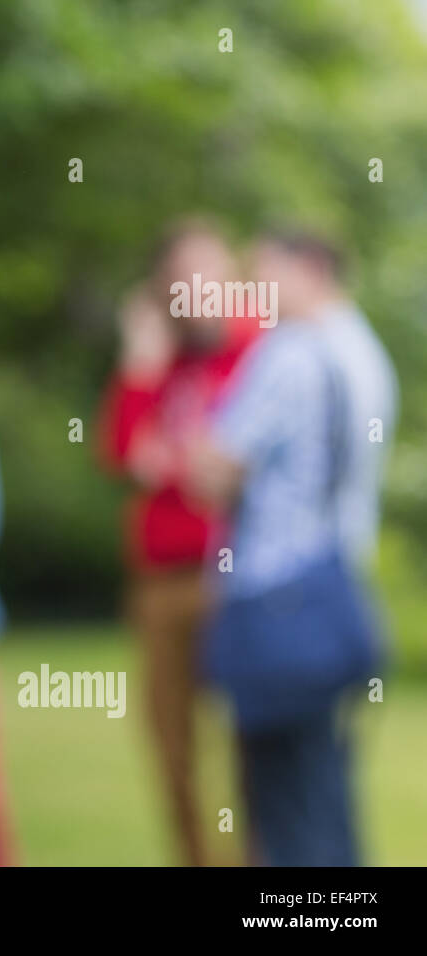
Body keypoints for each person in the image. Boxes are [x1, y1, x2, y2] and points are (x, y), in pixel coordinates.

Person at [190, 230, 393, 866]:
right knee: (325, 784)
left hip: (277, 592)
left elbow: (214, 470)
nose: (255, 294)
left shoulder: (292, 354)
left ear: (308, 269)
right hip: (336, 587)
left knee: (278, 793)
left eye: (263, 274)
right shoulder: (365, 352)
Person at [97, 218, 259, 866]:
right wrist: (139, 360)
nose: (198, 289)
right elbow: (122, 454)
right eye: (183, 276)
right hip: (159, 579)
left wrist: (173, 459)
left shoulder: (254, 351)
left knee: (252, 738)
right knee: (170, 744)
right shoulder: (159, 362)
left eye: (210, 272)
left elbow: (223, 463)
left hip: (232, 576)